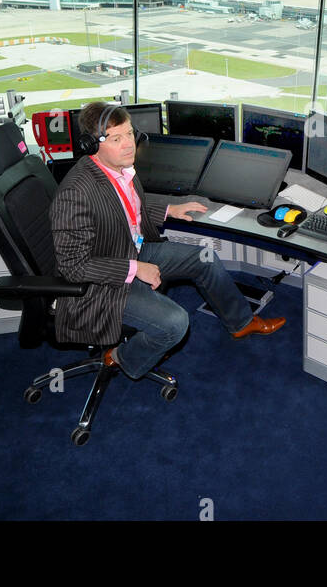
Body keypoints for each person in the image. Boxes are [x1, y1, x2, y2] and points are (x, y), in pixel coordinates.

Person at [49, 101, 284, 382]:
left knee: (203, 259)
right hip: (100, 284)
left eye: (129, 134)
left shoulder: (120, 169)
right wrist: (136, 268)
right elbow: (75, 266)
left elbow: (125, 210)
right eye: (116, 139)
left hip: (129, 249)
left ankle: (241, 322)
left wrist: (169, 210)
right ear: (91, 145)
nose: (128, 145)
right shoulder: (76, 192)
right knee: (175, 323)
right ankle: (120, 357)